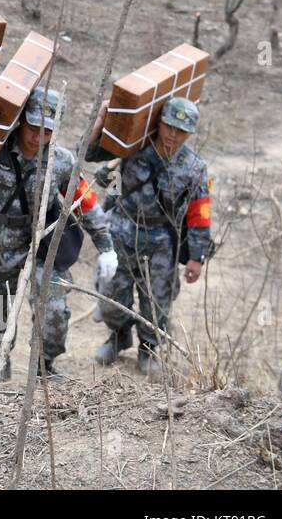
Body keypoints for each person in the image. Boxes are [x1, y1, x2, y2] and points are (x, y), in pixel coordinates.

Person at [0, 87, 116, 381]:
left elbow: (84, 203)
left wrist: (106, 246)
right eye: (34, 126)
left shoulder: (61, 161)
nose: (38, 136)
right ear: (21, 120)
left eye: (48, 129)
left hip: (39, 248)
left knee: (54, 308)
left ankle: (45, 365)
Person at [85, 96, 212, 377]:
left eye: (181, 131)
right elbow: (91, 152)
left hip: (162, 239)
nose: (173, 135)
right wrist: (102, 117)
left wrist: (197, 257)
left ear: (190, 133)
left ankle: (149, 346)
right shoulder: (133, 146)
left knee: (157, 302)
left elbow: (199, 212)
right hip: (121, 228)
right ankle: (118, 335)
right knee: (109, 297)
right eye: (169, 127)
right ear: (159, 123)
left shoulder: (194, 167)